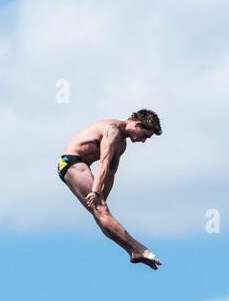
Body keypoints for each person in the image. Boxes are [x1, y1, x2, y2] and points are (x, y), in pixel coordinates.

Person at [58, 110, 163, 268]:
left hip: (82, 167)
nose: (143, 141)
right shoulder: (112, 130)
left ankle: (133, 252)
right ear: (136, 122)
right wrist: (95, 192)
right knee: (102, 212)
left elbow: (111, 173)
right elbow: (104, 163)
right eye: (145, 135)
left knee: (101, 214)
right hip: (71, 163)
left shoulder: (122, 144)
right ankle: (139, 249)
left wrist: (102, 199)